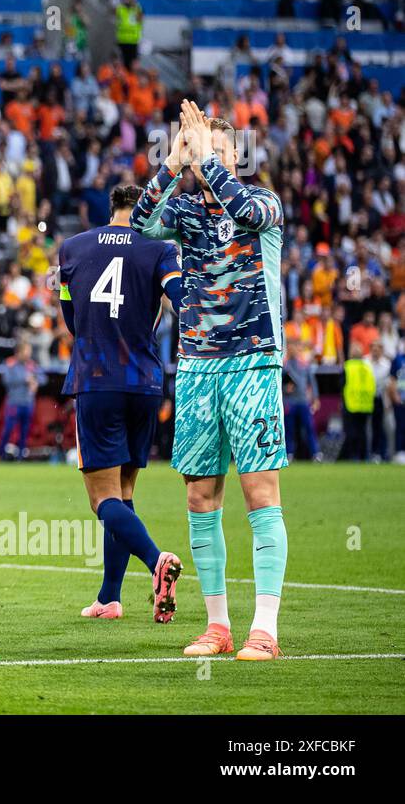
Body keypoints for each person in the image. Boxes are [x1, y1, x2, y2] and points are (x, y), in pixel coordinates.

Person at [132, 99, 289, 661]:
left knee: (259, 492)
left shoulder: (262, 201)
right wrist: (172, 163)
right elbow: (140, 228)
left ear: (233, 159)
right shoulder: (185, 210)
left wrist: (210, 157)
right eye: (201, 153)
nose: (205, 160)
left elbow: (243, 208)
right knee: (201, 496)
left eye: (215, 153)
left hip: (252, 360)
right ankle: (218, 627)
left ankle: (264, 629)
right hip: (198, 365)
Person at [58, 184, 185, 622]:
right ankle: (110, 596)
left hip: (96, 379)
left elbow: (71, 320)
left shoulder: (72, 249)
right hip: (145, 382)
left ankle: (156, 562)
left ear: (111, 208)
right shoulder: (160, 248)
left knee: (102, 500)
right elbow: (180, 302)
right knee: (125, 491)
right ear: (147, 210)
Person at [0, 341, 38, 460]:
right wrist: (24, 379)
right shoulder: (10, 363)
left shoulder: (31, 364)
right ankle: (0, 454)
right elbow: (6, 380)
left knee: (25, 431)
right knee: (8, 429)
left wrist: (35, 382)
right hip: (14, 402)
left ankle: (21, 456)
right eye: (26, 351)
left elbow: (43, 378)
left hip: (28, 402)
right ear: (18, 352)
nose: (28, 354)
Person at [283, 339, 322, 461]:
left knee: (309, 427)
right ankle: (289, 454)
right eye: (290, 347)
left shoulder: (305, 364)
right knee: (289, 429)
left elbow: (312, 382)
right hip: (289, 401)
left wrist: (316, 398)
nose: (293, 349)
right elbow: (278, 383)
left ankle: (316, 453)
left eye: (295, 347)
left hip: (303, 401)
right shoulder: (284, 365)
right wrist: (285, 389)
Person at [341, 343, 375, 461]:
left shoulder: (348, 366)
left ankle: (353, 456)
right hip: (365, 404)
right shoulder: (367, 367)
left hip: (351, 404)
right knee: (364, 433)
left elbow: (342, 385)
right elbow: (372, 385)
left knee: (352, 432)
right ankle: (364, 456)